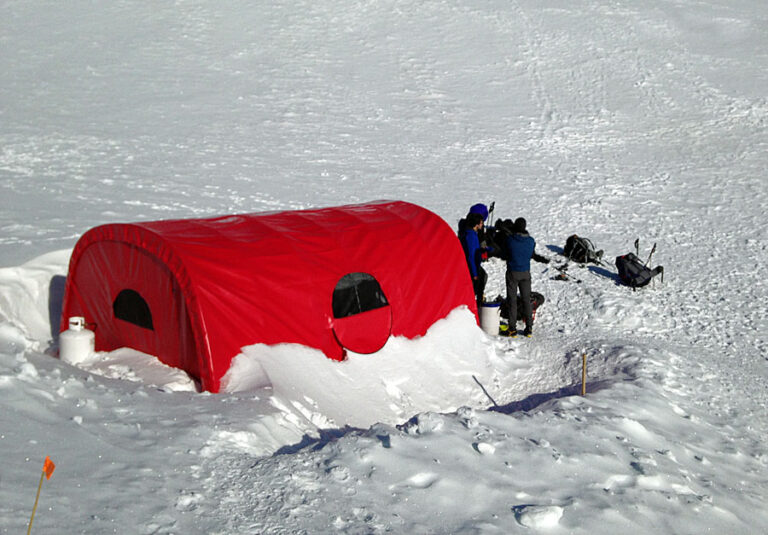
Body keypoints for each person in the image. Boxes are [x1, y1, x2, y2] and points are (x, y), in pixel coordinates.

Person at [503, 217, 548, 337]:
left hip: (513, 272)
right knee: (526, 300)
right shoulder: (531, 241)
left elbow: (505, 252)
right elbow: (532, 254)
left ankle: (512, 329)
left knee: (512, 300)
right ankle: (529, 328)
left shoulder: (510, 240)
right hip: (525, 273)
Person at [458, 212, 488, 309]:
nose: (482, 225)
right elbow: (471, 256)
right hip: (473, 267)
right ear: (476, 224)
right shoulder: (471, 236)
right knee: (477, 287)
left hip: (474, 265)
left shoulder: (472, 234)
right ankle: (476, 307)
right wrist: (475, 273)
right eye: (481, 223)